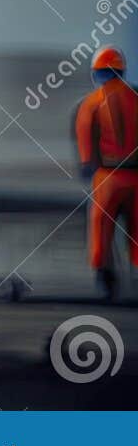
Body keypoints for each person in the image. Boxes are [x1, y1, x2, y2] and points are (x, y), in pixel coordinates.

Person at [74, 46, 137, 301]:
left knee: (101, 226)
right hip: (137, 176)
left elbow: (86, 144)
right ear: (121, 71)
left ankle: (104, 278)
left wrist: (87, 163)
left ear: (96, 73)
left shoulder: (91, 103)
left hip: (108, 176)